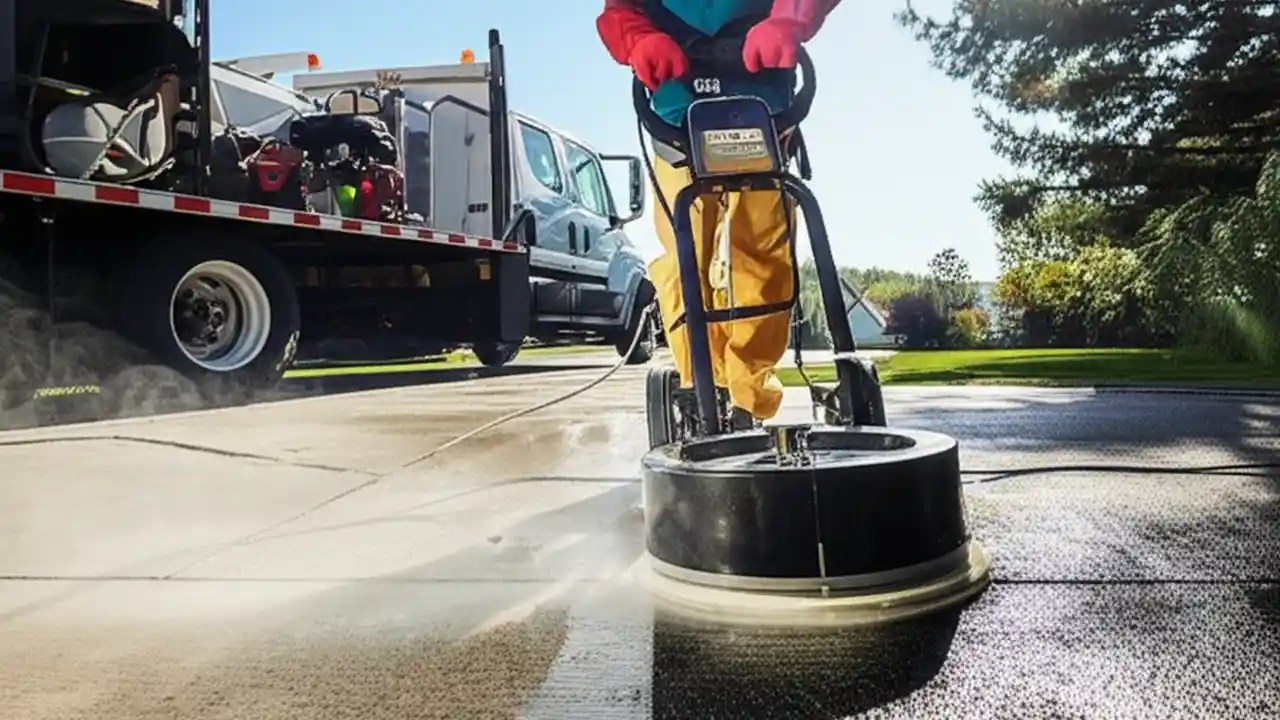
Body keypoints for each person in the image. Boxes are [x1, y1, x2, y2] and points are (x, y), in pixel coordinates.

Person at [596, 0, 840, 426]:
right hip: (676, 114)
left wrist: (787, 20)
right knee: (684, 254)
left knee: (762, 254)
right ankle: (702, 391)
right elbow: (620, 9)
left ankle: (748, 398)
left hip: (760, 107)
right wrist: (640, 41)